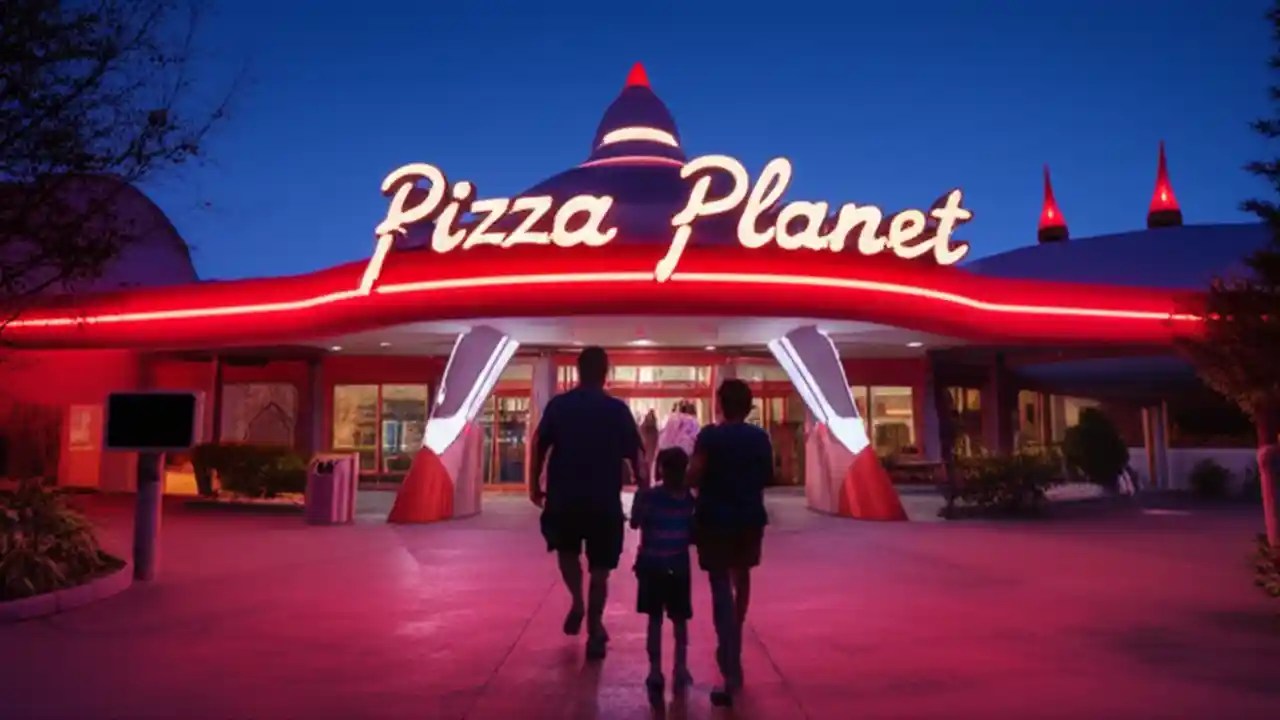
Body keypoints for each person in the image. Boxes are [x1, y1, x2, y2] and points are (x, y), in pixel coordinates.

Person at [530, 346, 647, 660]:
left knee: (567, 552)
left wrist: (533, 485)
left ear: (579, 371)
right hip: (602, 499)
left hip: (564, 496)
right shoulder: (616, 410)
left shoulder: (559, 406)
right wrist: (643, 488)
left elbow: (539, 444)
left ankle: (577, 602)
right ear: (605, 372)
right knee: (600, 569)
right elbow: (636, 454)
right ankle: (595, 628)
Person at [688, 379, 771, 708]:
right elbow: (768, 474)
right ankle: (734, 630)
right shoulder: (760, 438)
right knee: (743, 574)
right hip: (749, 517)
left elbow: (695, 473)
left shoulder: (710, 436)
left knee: (720, 584)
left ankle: (729, 648)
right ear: (749, 407)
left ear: (720, 404)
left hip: (714, 518)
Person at [630, 447, 696, 700]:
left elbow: (636, 522)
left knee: (654, 620)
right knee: (680, 620)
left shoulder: (650, 497)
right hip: (678, 566)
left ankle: (655, 670)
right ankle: (680, 667)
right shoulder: (688, 500)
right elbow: (693, 534)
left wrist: (640, 497)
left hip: (652, 565)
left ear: (661, 470)